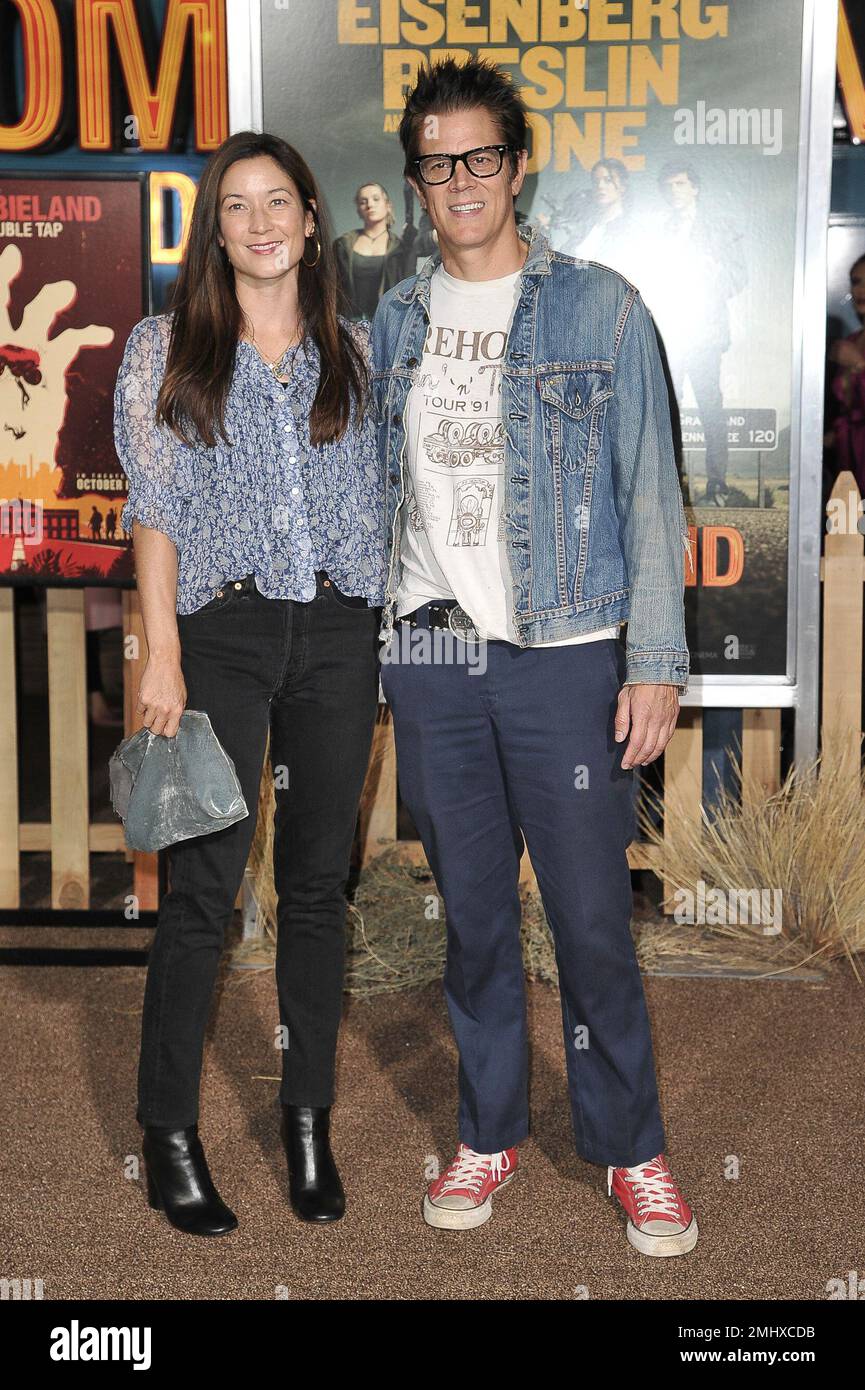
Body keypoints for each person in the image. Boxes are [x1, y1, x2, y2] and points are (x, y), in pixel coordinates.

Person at [372, 57, 697, 1257]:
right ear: (416, 181)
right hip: (436, 651)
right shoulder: (394, 319)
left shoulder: (601, 309)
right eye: (437, 162)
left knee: (589, 919)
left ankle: (632, 1148)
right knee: (470, 918)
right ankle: (490, 1127)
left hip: (563, 650)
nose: (461, 180)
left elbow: (649, 497)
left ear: (516, 166)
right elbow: (377, 494)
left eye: (481, 157)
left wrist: (651, 658)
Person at [114, 130, 385, 1236]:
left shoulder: (360, 349)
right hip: (217, 636)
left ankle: (305, 1121)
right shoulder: (163, 346)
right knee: (200, 896)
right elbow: (157, 504)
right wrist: (163, 652)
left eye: (281, 202)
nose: (263, 222)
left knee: (319, 887)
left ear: (313, 222)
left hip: (336, 631)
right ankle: (167, 1130)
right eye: (239, 205)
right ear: (214, 229)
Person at [333, 182, 416, 320]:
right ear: (358, 210)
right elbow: (331, 289)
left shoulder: (401, 248)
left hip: (387, 324)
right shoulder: (342, 245)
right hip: (347, 326)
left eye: (376, 199)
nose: (370, 205)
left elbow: (408, 292)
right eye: (363, 202)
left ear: (388, 206)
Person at [827, 253, 865, 498]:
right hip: (846, 460)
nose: (861, 290)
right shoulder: (849, 342)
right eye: (856, 281)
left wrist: (860, 365)